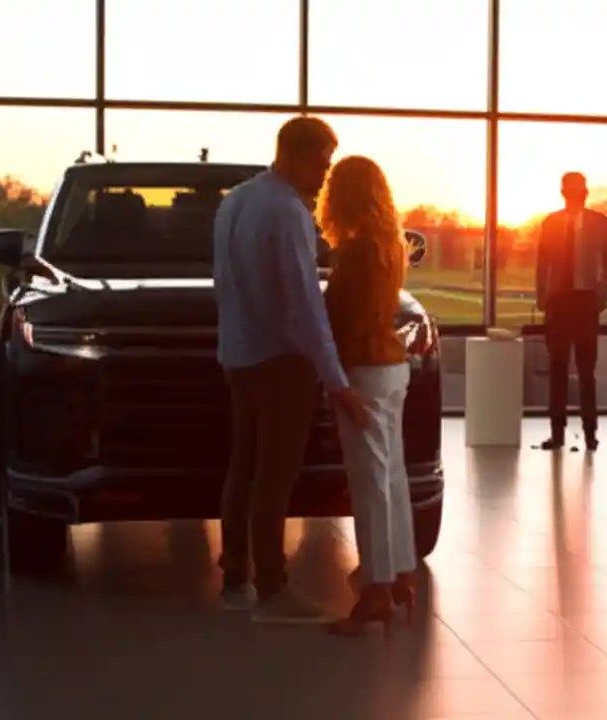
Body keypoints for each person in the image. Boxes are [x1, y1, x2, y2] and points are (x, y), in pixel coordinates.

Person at [212, 117, 367, 623]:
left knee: (243, 466)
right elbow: (305, 305)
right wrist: (337, 381)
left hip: (239, 356)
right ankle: (273, 589)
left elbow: (225, 284)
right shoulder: (288, 212)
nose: (325, 174)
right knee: (274, 477)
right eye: (322, 162)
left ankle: (235, 578)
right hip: (282, 364)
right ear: (298, 156)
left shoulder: (234, 201)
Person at [316, 156, 417, 634]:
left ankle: (376, 590)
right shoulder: (390, 244)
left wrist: (337, 380)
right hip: (393, 366)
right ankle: (399, 573)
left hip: (365, 371)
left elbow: (342, 322)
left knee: (369, 483)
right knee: (392, 476)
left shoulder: (357, 252)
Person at [535, 172, 607, 452]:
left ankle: (590, 433)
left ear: (585, 192)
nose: (573, 194)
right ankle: (557, 434)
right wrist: (543, 299)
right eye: (569, 189)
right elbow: (541, 263)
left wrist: (599, 299)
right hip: (558, 303)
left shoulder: (600, 224)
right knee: (557, 370)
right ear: (562, 192)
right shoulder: (551, 223)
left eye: (578, 189)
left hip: (585, 303)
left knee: (585, 371)